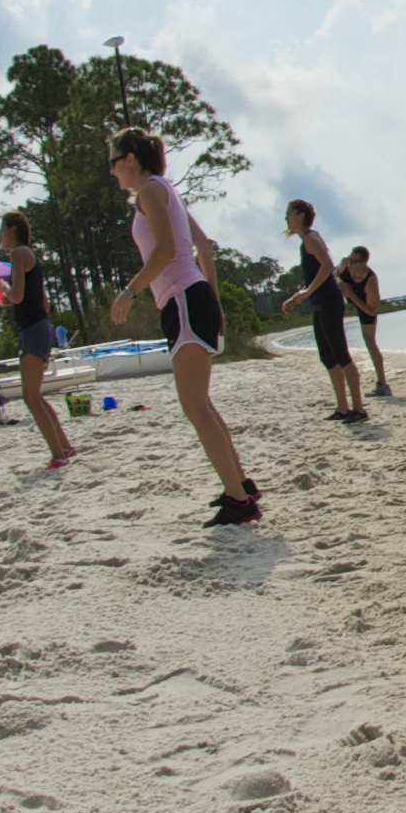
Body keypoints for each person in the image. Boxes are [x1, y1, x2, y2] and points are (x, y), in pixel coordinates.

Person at [105, 128, 260, 526]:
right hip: (191, 298)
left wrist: (129, 291)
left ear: (131, 159)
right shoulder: (164, 189)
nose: (111, 171)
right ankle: (239, 483)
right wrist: (215, 301)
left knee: (194, 404)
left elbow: (168, 250)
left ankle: (240, 500)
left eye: (113, 161)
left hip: (183, 299)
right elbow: (203, 245)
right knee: (201, 403)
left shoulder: (150, 192)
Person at [0, 210, 73, 470]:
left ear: (12, 230)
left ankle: (59, 455)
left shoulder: (17, 254)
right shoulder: (29, 256)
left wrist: (4, 290)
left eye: (1, 230)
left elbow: (17, 296)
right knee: (35, 395)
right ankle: (64, 447)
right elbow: (33, 298)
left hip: (33, 329)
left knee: (30, 396)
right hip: (39, 327)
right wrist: (11, 298)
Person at [280, 200, 364, 422]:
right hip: (320, 302)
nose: (286, 218)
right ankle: (343, 408)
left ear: (300, 215)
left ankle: (359, 408)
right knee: (328, 357)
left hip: (329, 301)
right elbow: (317, 274)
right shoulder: (307, 240)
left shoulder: (310, 238)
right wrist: (298, 295)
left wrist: (306, 293)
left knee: (340, 354)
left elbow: (327, 265)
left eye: (289, 213)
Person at [337, 247, 392, 396]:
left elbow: (372, 311)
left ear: (363, 263)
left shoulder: (370, 281)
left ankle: (382, 384)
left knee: (369, 340)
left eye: (354, 261)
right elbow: (334, 274)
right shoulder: (345, 265)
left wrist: (351, 295)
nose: (350, 263)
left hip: (364, 303)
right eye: (350, 259)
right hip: (341, 296)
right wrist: (339, 282)